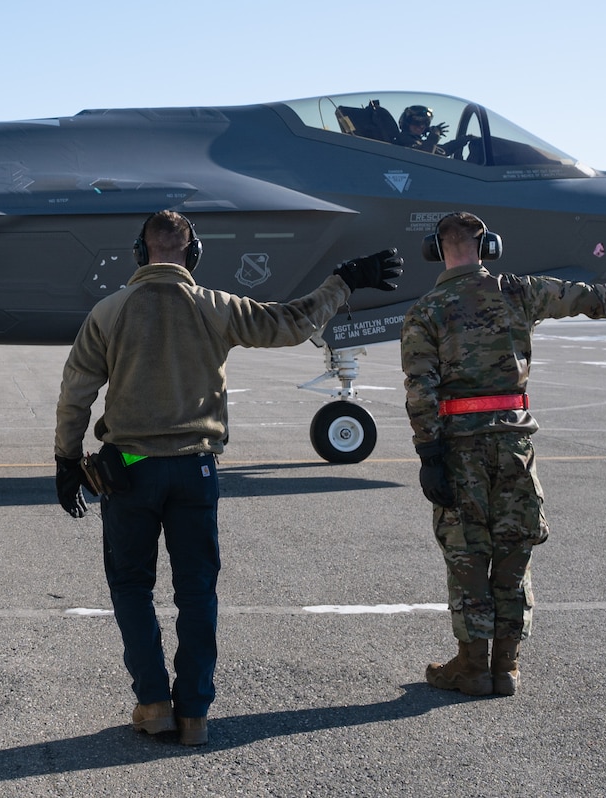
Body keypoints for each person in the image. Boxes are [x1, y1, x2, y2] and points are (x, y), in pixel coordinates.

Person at [54, 209, 402, 744]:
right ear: (193, 255)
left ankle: (152, 702)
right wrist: (343, 282)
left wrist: (65, 460)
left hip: (129, 467)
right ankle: (193, 712)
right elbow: (290, 323)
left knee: (131, 586)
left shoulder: (109, 310)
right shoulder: (215, 306)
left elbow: (77, 392)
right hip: (196, 468)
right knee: (197, 593)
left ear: (140, 254)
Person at [399, 211, 606, 697]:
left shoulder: (425, 311)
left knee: (467, 555)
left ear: (435, 249)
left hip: (459, 451)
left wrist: (429, 455)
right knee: (513, 552)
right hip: (515, 446)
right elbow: (598, 299)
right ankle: (506, 667)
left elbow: (420, 390)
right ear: (489, 247)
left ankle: (472, 666)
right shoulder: (521, 291)